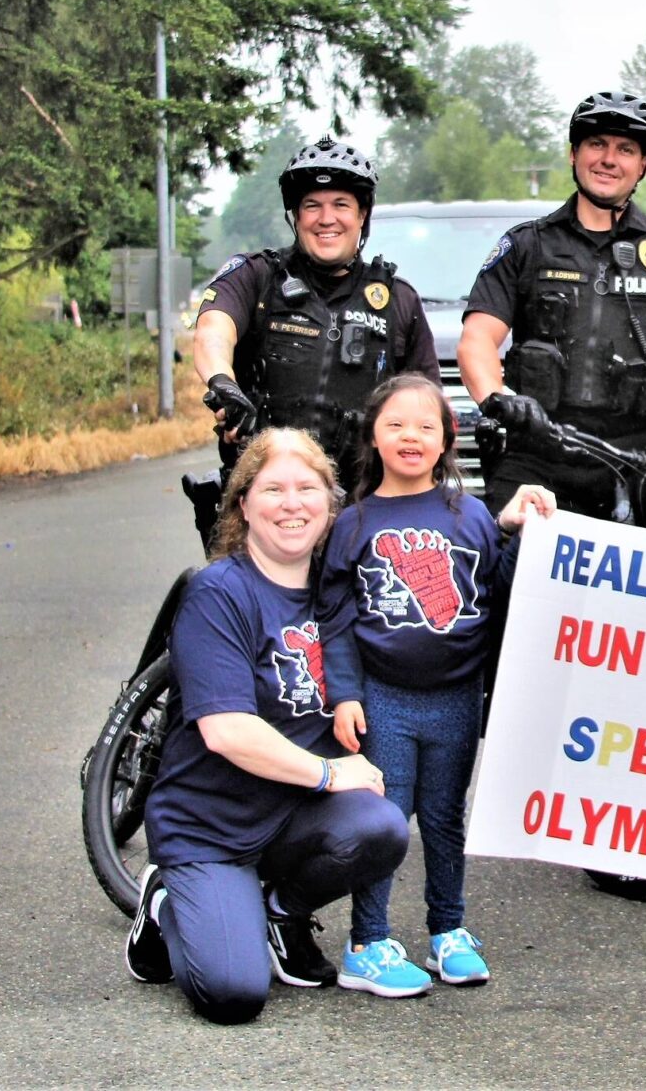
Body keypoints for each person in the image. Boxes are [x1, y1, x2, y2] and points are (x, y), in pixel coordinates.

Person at [123, 428, 409, 1025]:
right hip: (211, 825)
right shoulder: (218, 593)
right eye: (273, 488)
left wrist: (514, 524)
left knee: (382, 828)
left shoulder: (337, 594)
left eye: (308, 488)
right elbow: (227, 731)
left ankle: (279, 911)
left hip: (290, 815)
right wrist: (332, 772)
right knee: (233, 996)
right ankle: (168, 904)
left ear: (330, 507)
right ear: (243, 505)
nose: (291, 503)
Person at [316, 375, 556, 997]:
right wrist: (344, 693)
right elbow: (335, 617)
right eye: (396, 424)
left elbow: (498, 592)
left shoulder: (470, 514)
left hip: (457, 697)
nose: (411, 437)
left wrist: (521, 531)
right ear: (373, 434)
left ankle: (449, 930)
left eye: (426, 425)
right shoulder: (355, 521)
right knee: (386, 820)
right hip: (383, 699)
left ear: (449, 438)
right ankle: (367, 941)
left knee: (447, 818)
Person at [456, 90, 646, 517]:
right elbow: (477, 340)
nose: (608, 159)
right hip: (533, 456)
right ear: (574, 153)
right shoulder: (527, 245)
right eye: (596, 144)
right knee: (512, 577)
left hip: (631, 466)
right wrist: (498, 397)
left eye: (625, 149)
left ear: (644, 165)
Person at [192, 135, 441, 503]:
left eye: (341, 204)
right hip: (265, 499)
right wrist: (223, 383)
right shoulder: (256, 276)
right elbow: (213, 328)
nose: (327, 219)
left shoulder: (398, 300)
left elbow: (428, 406)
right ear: (296, 217)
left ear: (362, 215)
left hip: (362, 504)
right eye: (312, 206)